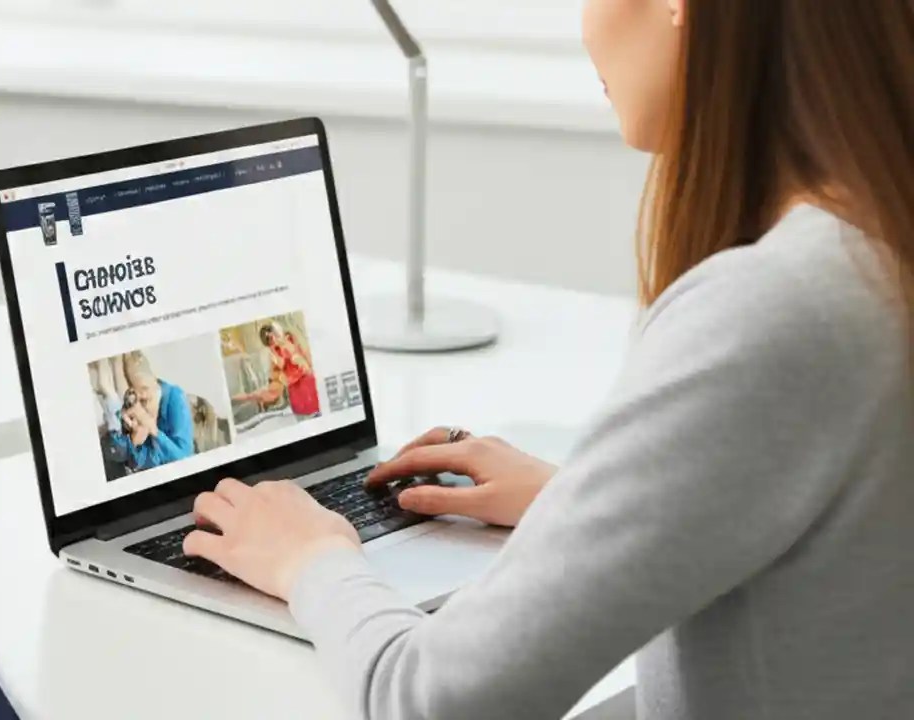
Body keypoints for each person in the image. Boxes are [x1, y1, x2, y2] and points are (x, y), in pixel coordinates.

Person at [182, 2, 914, 718]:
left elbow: (428, 700)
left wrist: (312, 557)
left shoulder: (779, 310)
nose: (586, 25)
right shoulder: (876, 251)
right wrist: (586, 505)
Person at [95, 351, 195, 472]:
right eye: (134, 392)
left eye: (144, 391)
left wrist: (154, 430)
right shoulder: (133, 405)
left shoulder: (174, 397)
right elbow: (140, 459)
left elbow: (185, 459)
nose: (141, 397)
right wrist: (134, 442)